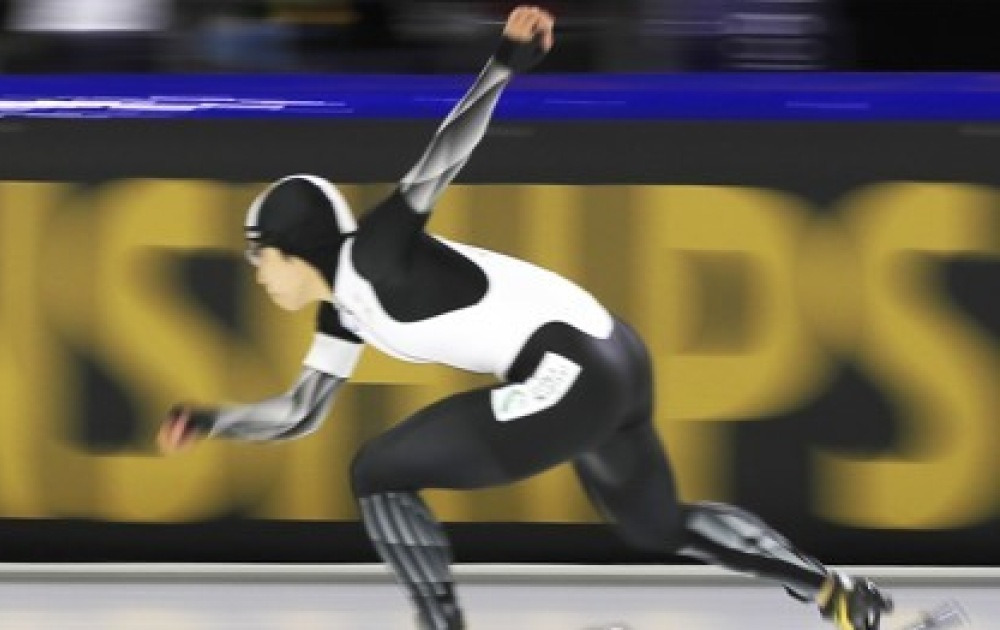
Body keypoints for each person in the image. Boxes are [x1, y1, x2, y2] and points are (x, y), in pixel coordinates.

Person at [157, 6, 894, 630]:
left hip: (569, 366)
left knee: (378, 471)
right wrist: (213, 422)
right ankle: (835, 593)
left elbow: (440, 159)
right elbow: (298, 414)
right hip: (608, 360)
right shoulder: (344, 312)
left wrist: (503, 66)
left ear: (296, 249)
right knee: (656, 524)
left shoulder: (376, 253)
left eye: (259, 256)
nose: (255, 273)